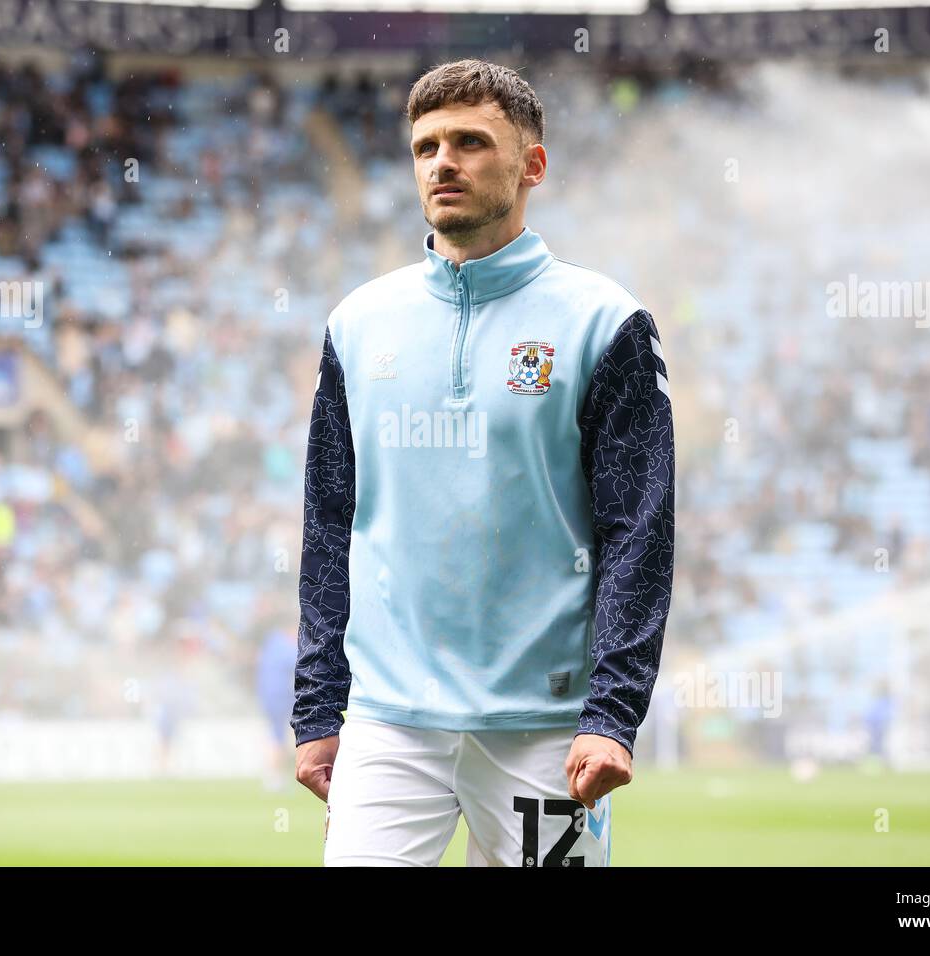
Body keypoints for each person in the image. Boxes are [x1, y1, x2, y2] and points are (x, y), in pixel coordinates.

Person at [292, 60, 675, 866]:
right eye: (426, 145)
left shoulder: (607, 324)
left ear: (531, 165)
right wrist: (318, 708)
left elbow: (638, 532)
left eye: (470, 141)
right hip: (388, 724)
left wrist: (612, 715)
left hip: (548, 731)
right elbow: (330, 523)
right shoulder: (357, 325)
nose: (443, 162)